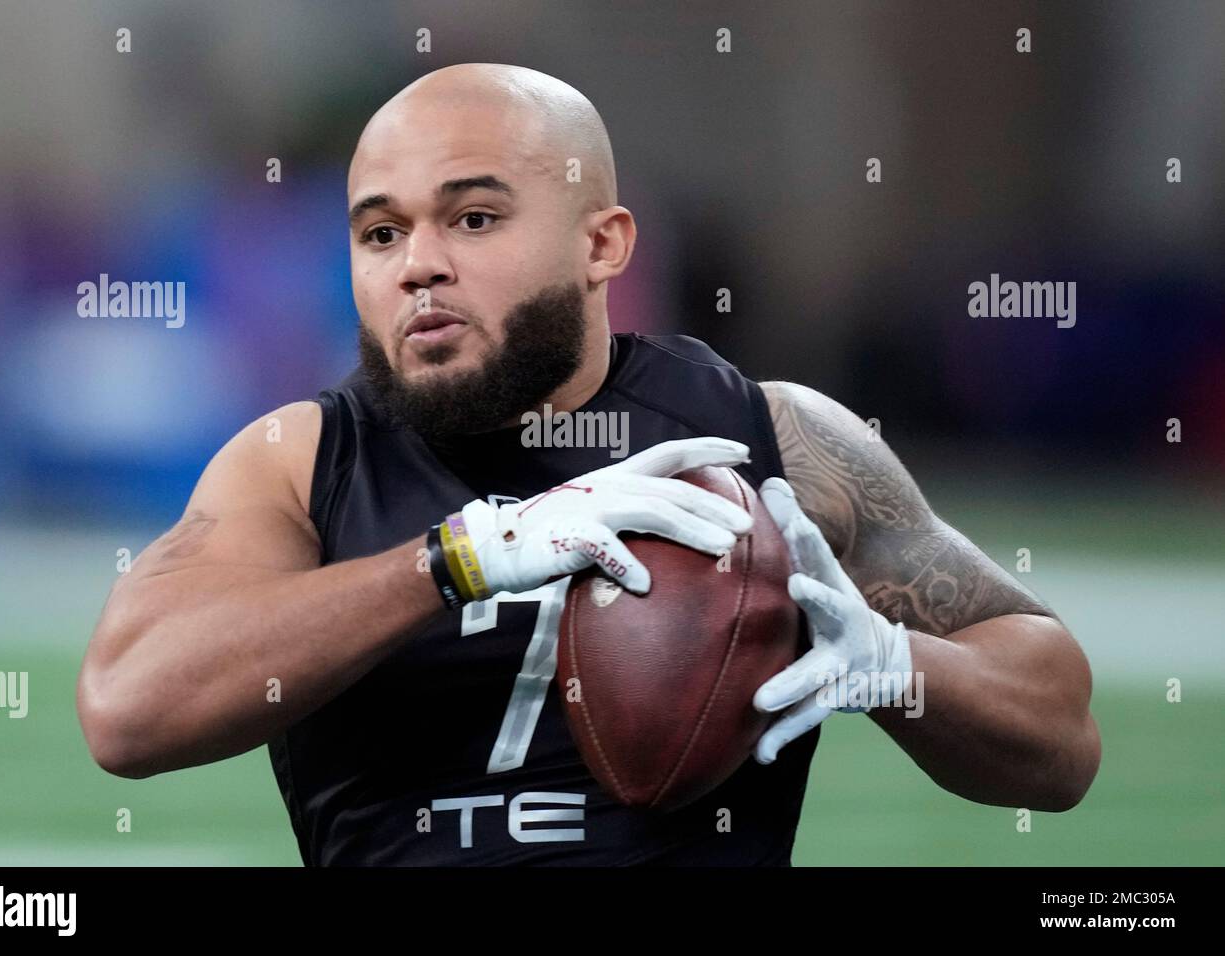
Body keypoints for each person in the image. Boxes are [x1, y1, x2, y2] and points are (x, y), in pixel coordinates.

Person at [77, 63, 1100, 866]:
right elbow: (126, 710)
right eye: (379, 231)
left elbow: (1062, 745)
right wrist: (452, 562)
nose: (417, 262)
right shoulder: (299, 459)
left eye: (472, 217)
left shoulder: (774, 439)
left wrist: (889, 663)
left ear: (601, 244)